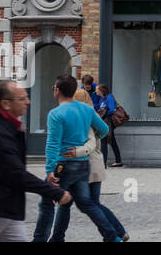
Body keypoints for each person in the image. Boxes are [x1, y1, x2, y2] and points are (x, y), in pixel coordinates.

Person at [0, 80, 72, 242]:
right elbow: (14, 173)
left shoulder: (8, 127)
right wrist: (55, 192)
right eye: (22, 99)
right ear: (6, 104)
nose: (28, 102)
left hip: (4, 209)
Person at [33, 74, 119, 242]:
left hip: (62, 165)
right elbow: (103, 130)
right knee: (84, 203)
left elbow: (52, 144)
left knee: (47, 202)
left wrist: (50, 170)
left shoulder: (56, 114)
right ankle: (111, 236)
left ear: (57, 91)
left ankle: (39, 239)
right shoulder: (86, 109)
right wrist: (89, 142)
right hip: (82, 165)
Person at [54, 89, 128, 242]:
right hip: (94, 165)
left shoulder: (82, 117)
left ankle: (114, 235)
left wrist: (75, 152)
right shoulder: (92, 115)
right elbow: (103, 132)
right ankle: (118, 233)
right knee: (91, 203)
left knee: (75, 204)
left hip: (83, 165)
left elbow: (92, 142)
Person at [91, 83, 122, 167]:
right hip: (104, 121)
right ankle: (118, 160)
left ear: (101, 90)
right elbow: (99, 107)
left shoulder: (109, 97)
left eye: (97, 89)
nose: (95, 90)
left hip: (108, 121)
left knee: (104, 140)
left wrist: (103, 114)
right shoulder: (102, 99)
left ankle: (103, 163)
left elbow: (112, 109)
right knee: (112, 141)